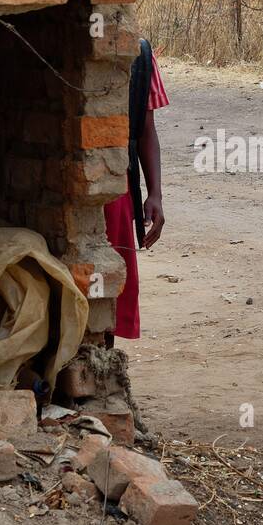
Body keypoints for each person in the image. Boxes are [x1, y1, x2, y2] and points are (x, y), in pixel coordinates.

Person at [102, 38, 168, 341]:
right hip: (74, 184)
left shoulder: (140, 55)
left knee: (109, 282)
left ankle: (100, 353)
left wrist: (155, 194)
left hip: (117, 187)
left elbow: (145, 128)